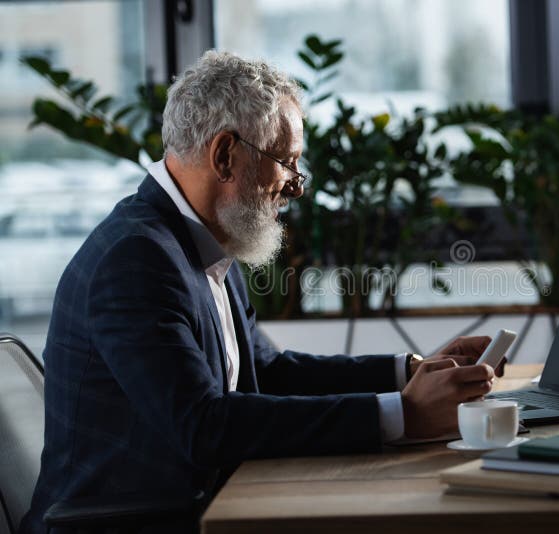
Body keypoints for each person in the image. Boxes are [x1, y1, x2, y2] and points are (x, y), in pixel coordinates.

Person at [21, 51, 503, 533]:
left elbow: (267, 372)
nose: (295, 186)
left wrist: (410, 372)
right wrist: (405, 415)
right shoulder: (135, 260)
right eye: (286, 161)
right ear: (226, 155)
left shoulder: (200, 239)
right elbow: (204, 426)